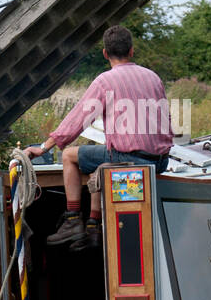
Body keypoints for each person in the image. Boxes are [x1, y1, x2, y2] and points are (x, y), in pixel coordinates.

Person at [24, 25, 173, 250]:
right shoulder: (153, 78)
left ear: (105, 53)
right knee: (99, 166)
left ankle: (73, 220)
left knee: (69, 155)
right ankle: (94, 227)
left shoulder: (105, 81)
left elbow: (77, 119)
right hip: (160, 161)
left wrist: (43, 148)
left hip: (131, 159)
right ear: (132, 51)